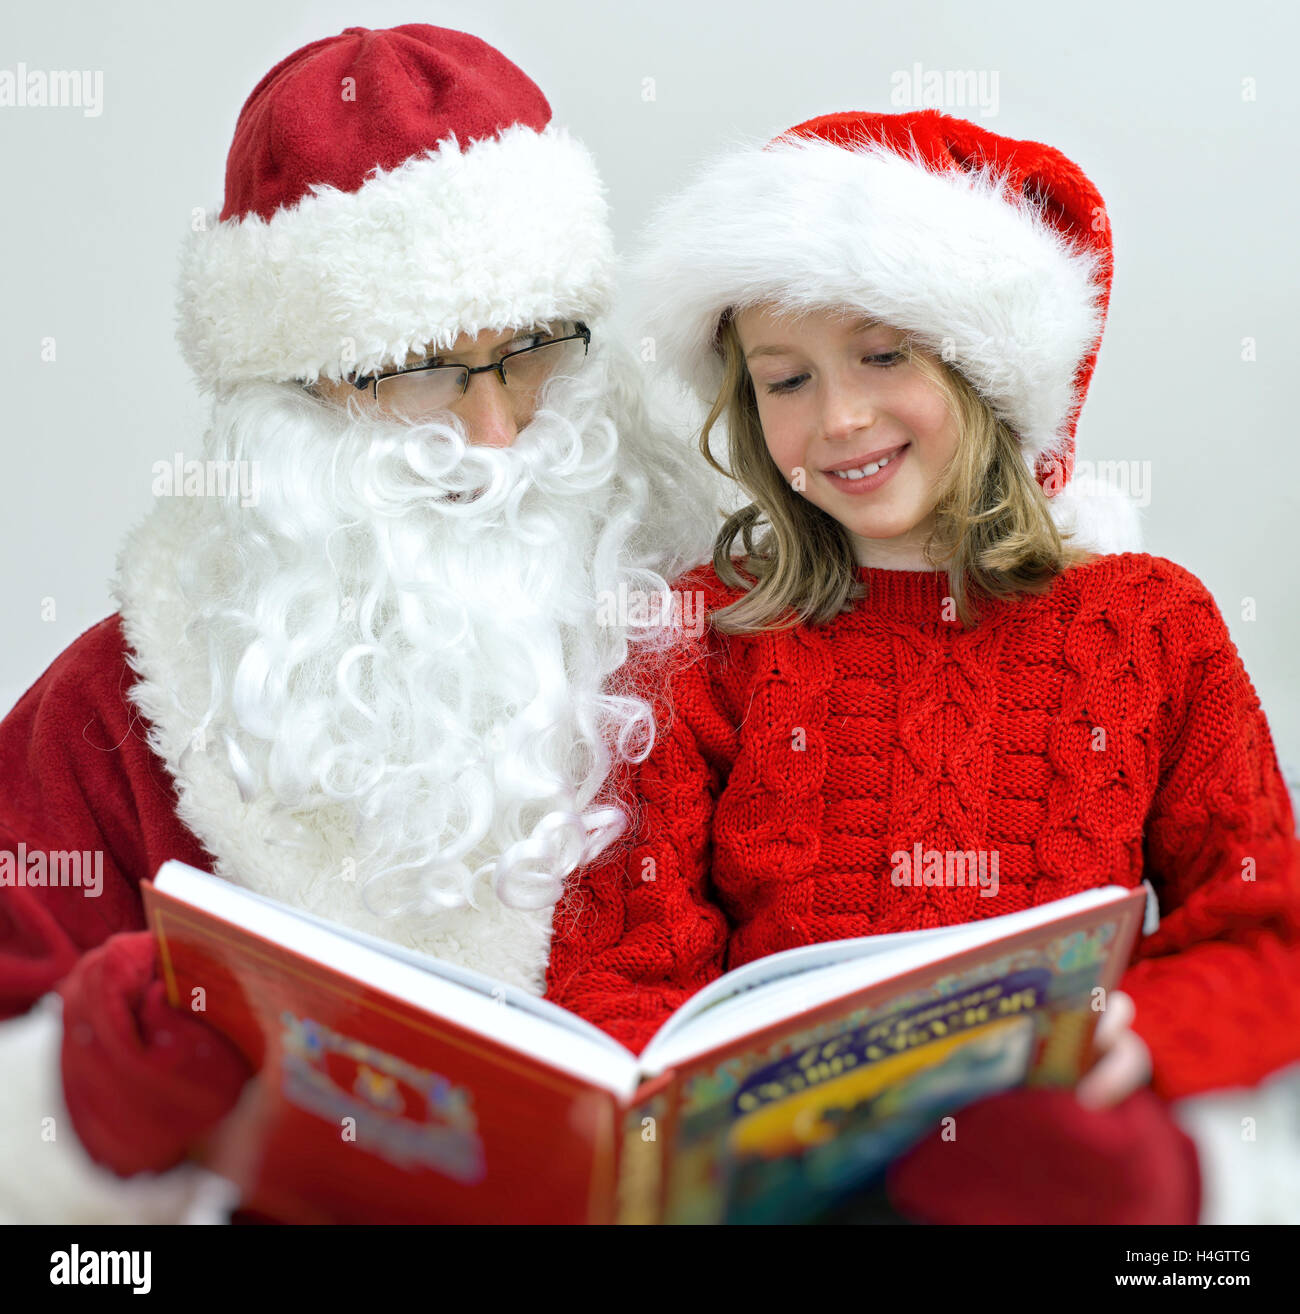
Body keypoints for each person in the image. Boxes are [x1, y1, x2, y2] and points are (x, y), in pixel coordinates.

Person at [0, 23, 717, 1222]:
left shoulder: (722, 622)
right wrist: (96, 1084)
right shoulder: (105, 714)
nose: (494, 434)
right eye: (421, 369)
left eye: (531, 350)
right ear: (290, 400)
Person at [543, 109, 1300, 1224]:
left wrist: (1149, 1036)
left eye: (882, 355)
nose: (839, 418)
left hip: (1040, 1156)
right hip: (780, 1172)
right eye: (784, 379)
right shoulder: (704, 637)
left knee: (1070, 1166)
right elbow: (622, 964)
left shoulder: (1149, 624)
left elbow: (1264, 921)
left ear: (985, 368)